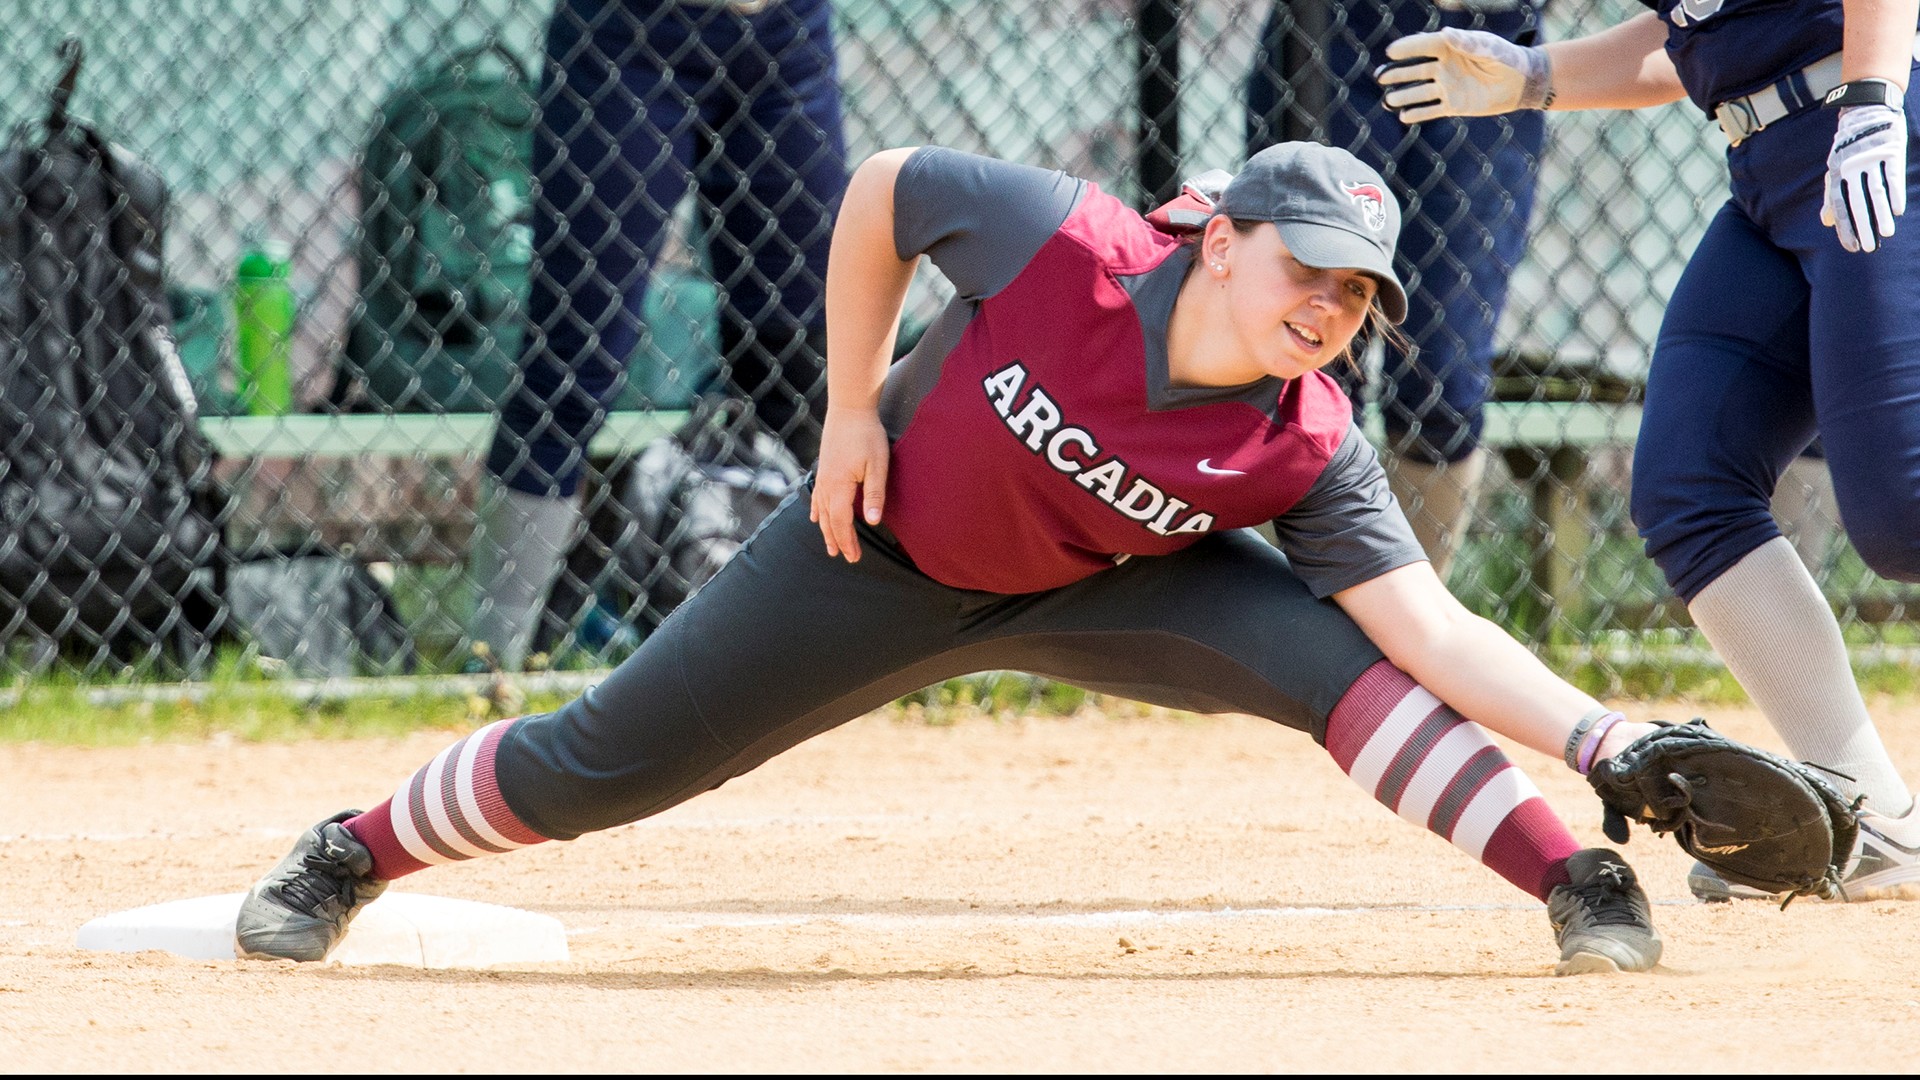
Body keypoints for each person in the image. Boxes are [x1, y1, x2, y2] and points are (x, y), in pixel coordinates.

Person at [232, 141, 1676, 976]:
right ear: (1223, 241)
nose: (1326, 308)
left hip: (1116, 587)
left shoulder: (1306, 440)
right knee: (604, 763)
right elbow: (885, 190)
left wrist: (1605, 740)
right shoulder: (1068, 246)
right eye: (1306, 265)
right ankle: (350, 850)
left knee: (1352, 676)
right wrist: (847, 407)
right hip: (875, 554)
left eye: (1356, 294)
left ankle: (1578, 882)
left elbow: (1432, 626)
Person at [1372, 0, 1920, 901]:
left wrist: (1871, 98)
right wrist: (1534, 77)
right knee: (1687, 487)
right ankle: (1872, 820)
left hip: (1882, 130)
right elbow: (1691, 37)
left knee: (1902, 517)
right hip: (1774, 169)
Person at [469, 0, 850, 669]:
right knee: (575, 360)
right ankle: (492, 662)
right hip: (632, 35)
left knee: (794, 365)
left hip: (785, 37)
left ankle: (788, 649)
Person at [1246, 0, 1550, 576]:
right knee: (1311, 359)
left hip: (1495, 40)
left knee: (1445, 384)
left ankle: (1408, 613)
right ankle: (1286, 610)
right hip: (1339, 28)